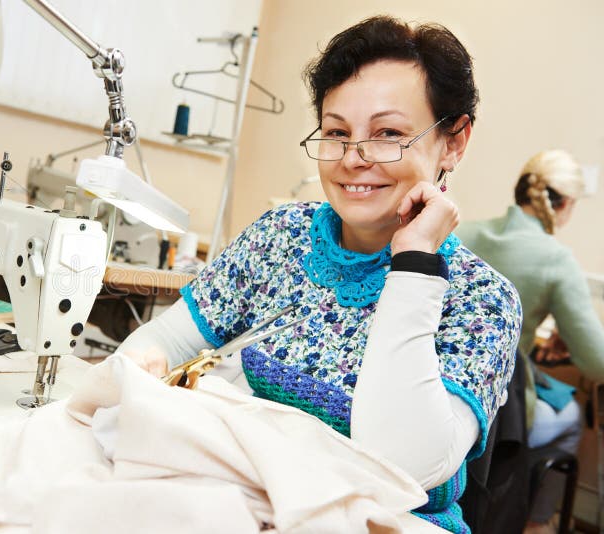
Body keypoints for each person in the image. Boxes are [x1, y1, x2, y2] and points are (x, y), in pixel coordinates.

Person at [117, 15, 521, 533]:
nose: (353, 158)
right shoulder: (279, 237)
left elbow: (403, 467)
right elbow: (161, 343)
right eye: (336, 132)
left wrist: (416, 263)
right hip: (248, 505)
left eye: (388, 134)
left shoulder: (483, 300)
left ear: (454, 142)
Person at [457, 149, 604, 534]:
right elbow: (597, 364)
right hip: (499, 412)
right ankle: (536, 524)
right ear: (566, 204)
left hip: (448, 388)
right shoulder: (556, 259)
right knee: (572, 416)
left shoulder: (463, 232)